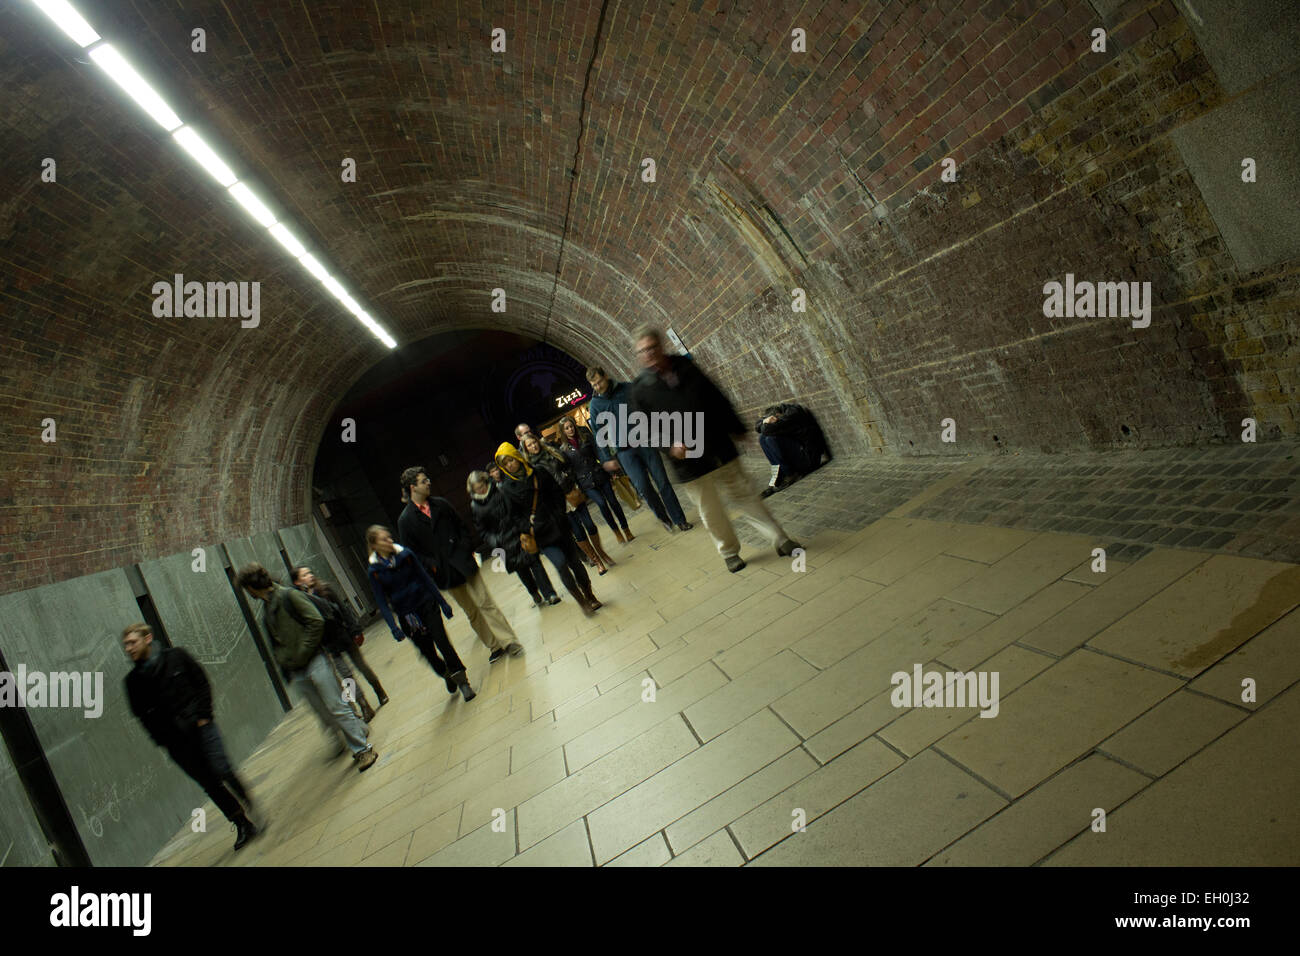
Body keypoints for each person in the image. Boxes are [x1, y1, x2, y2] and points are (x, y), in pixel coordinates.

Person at [627, 327, 802, 573]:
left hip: (718, 446)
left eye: (652, 347)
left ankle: (781, 540)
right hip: (689, 460)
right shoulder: (640, 390)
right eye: (643, 351)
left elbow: (716, 397)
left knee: (746, 495)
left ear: (661, 345)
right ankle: (729, 552)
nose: (649, 354)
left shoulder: (686, 368)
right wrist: (669, 446)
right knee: (711, 510)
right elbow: (645, 430)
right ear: (638, 355)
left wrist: (736, 427)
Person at [122, 624, 261, 850]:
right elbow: (141, 717)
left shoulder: (176, 657)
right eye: (126, 645)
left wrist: (204, 716)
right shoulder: (132, 682)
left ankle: (246, 796)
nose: (128, 648)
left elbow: (202, 682)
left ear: (148, 638)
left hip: (201, 726)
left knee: (222, 769)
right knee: (210, 783)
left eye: (132, 642)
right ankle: (242, 823)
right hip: (176, 743)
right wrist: (162, 741)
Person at [236, 564, 378, 771]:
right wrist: (285, 663)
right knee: (324, 712)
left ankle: (363, 750)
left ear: (252, 586)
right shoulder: (267, 608)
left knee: (336, 706)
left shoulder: (288, 596)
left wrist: (303, 651)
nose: (248, 593)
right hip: (296, 669)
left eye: (247, 589)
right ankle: (358, 728)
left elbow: (316, 621)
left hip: (314, 660)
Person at [397, 467, 524, 663]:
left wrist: (465, 547)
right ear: (413, 487)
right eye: (424, 481)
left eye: (428, 478)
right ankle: (494, 646)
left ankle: (509, 641)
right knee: (472, 611)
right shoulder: (405, 520)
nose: (429, 482)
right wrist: (433, 566)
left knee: (485, 603)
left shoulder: (441, 504)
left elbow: (461, 526)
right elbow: (412, 553)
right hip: (444, 572)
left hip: (462, 561)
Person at [366, 525, 477, 701]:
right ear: (374, 545)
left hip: (426, 604)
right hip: (408, 617)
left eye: (389, 537)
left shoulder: (406, 555)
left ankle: (463, 682)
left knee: (442, 642)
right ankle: (445, 673)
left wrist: (442, 602)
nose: (389, 541)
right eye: (384, 539)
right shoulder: (375, 572)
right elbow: (381, 601)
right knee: (429, 654)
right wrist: (393, 626)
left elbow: (425, 578)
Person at [493, 442, 602, 615]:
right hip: (541, 535)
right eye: (505, 464)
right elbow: (512, 516)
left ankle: (589, 594)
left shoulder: (539, 472)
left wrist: (559, 513)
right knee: (560, 563)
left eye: (510, 460)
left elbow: (557, 493)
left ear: (517, 457)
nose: (510, 465)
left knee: (575, 562)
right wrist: (529, 526)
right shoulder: (506, 489)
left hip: (559, 525)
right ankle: (581, 601)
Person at [586, 365, 693, 532]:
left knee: (663, 482)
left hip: (646, 443)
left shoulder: (627, 388)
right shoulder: (595, 405)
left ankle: (680, 519)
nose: (598, 387)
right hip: (624, 452)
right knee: (643, 487)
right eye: (594, 385)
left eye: (599, 382)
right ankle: (663, 517)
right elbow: (598, 433)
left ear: (606, 375)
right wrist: (607, 458)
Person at [291, 566, 388, 718]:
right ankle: (363, 704)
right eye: (305, 575)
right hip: (329, 644)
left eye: (310, 572)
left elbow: (343, 610)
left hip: (343, 635)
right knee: (346, 675)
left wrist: (356, 630)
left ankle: (379, 690)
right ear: (297, 582)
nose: (310, 575)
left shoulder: (325, 589)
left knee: (362, 666)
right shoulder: (301, 601)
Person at [521, 433, 615, 575]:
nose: (534, 446)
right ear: (526, 449)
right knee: (577, 532)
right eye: (530, 445)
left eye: (534, 442)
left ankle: (602, 553)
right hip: (558, 502)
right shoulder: (531, 468)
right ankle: (597, 562)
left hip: (571, 492)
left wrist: (570, 479)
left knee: (590, 525)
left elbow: (569, 465)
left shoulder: (551, 451)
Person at [468, 470, 561, 609]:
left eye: (482, 486)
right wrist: (494, 541)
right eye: (477, 489)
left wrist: (521, 527)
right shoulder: (475, 506)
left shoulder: (500, 491)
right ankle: (534, 592)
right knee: (521, 570)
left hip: (518, 533)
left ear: (486, 482)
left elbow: (516, 509)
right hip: (502, 543)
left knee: (535, 562)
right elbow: (482, 530)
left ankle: (549, 593)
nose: (481, 490)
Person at [557, 416, 634, 544]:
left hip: (600, 474)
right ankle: (616, 532)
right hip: (585, 482)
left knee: (613, 502)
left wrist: (610, 470)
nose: (570, 429)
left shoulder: (585, 436)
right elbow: (569, 469)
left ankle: (626, 529)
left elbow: (599, 452)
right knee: (602, 504)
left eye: (571, 426)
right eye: (567, 428)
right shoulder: (563, 449)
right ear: (563, 431)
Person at [756, 403, 833, 497]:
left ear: (777, 415)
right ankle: (779, 477)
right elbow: (758, 427)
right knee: (762, 438)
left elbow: (766, 429)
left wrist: (766, 424)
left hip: (809, 459)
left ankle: (789, 474)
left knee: (771, 438)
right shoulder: (781, 417)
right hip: (799, 457)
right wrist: (765, 422)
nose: (773, 423)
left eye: (773, 421)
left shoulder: (792, 415)